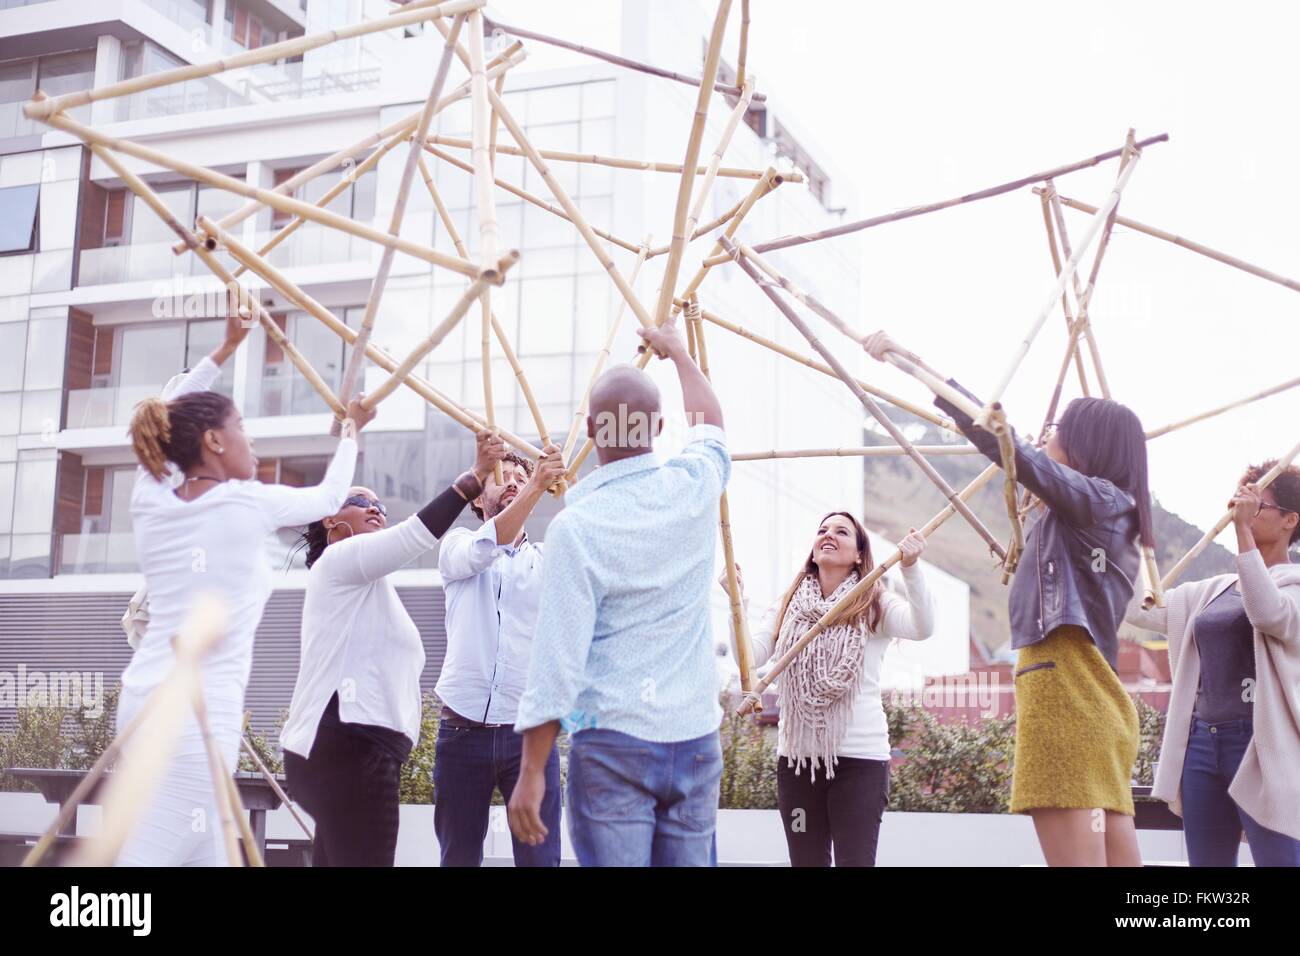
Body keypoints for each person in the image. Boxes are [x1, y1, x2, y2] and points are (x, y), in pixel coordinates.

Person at [863, 330, 1153, 867]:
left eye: (1056, 430)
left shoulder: (1098, 501)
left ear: (1088, 445)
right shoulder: (1098, 510)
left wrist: (919, 367)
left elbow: (1009, 447)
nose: (1046, 436)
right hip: (1094, 702)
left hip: (1066, 695)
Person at [117, 309, 372, 866]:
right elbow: (332, 498)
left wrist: (226, 348)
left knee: (203, 850)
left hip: (145, 700)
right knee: (155, 859)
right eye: (241, 431)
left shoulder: (152, 500)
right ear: (212, 439)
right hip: (195, 716)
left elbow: (167, 418)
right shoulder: (247, 503)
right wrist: (352, 430)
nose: (251, 446)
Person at [506, 318, 728, 866]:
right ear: (655, 427)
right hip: (695, 738)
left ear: (591, 431)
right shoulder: (693, 489)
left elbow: (556, 660)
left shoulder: (577, 530)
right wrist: (678, 352)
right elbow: (711, 426)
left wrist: (532, 770)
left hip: (612, 744)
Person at [280, 429, 507, 867]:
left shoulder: (362, 584)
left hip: (345, 749)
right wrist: (474, 478)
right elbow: (413, 536)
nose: (377, 510)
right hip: (351, 744)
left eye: (381, 506)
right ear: (331, 519)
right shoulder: (341, 559)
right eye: (363, 502)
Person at [725, 512, 933, 866]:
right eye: (822, 530)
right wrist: (737, 602)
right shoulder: (788, 604)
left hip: (860, 764)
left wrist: (911, 568)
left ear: (858, 554)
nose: (828, 535)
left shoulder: (874, 603)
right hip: (798, 762)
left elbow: (921, 626)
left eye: (841, 531)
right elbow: (751, 660)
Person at [1126, 463, 1300, 865]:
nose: (1243, 509)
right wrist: (1126, 530)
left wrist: (1242, 533)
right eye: (1241, 501)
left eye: (1258, 505)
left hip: (1262, 747)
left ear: (1290, 520)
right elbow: (1138, 608)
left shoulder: (1293, 585)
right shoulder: (1212, 590)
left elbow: (1267, 613)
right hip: (1202, 743)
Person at [431, 440, 567, 867]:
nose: (512, 482)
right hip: (461, 733)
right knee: (458, 857)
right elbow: (486, 548)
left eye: (521, 478)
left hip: (528, 738)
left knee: (540, 859)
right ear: (477, 496)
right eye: (501, 477)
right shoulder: (456, 545)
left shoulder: (549, 561)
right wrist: (536, 486)